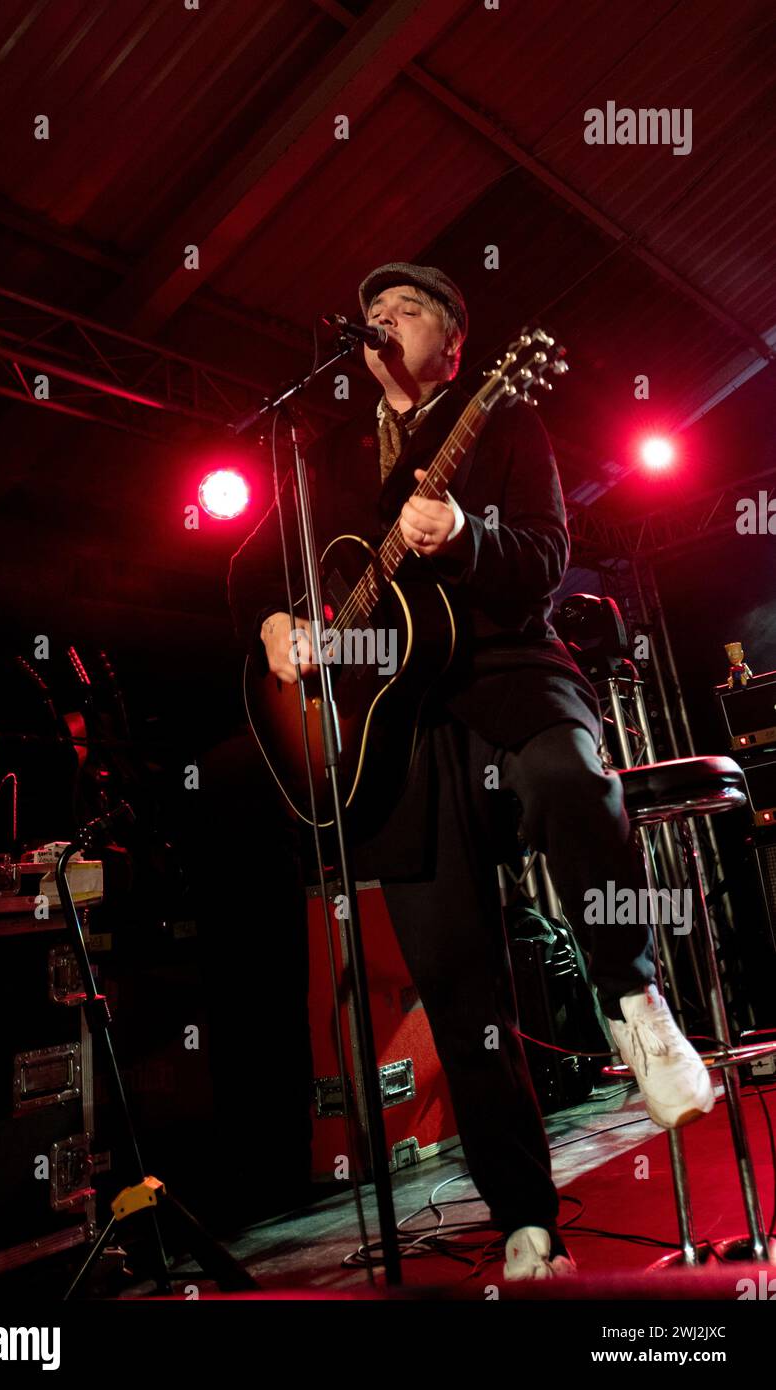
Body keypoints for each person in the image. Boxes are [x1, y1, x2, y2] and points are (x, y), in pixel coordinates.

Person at [227, 262, 714, 1280]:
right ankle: (528, 1224)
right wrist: (279, 627)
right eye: (370, 315)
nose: (378, 325)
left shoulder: (502, 425)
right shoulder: (321, 457)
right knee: (457, 987)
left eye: (403, 312)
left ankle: (635, 1001)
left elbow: (541, 558)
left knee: (573, 782)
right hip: (399, 732)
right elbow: (255, 573)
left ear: (454, 343)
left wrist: (465, 534)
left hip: (508, 675)